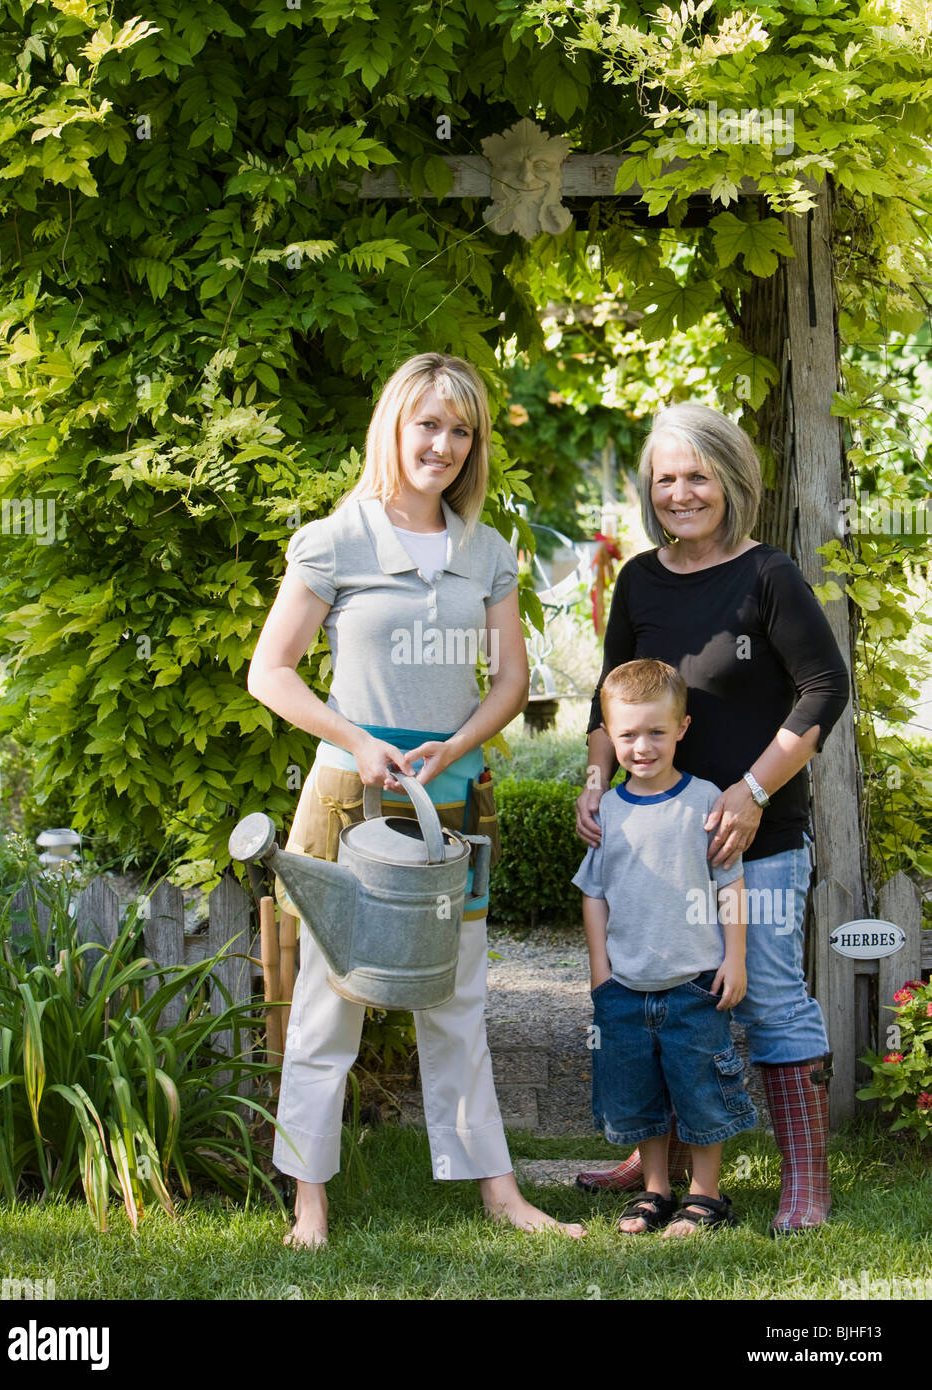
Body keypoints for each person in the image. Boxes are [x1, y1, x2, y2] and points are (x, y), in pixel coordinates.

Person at [247, 351, 586, 1247]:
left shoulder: (486, 554)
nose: (442, 444)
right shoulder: (335, 540)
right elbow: (270, 672)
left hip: (455, 798)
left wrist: (458, 747)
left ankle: (501, 1194)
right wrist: (357, 740)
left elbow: (510, 681)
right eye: (427, 424)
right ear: (394, 429)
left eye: (460, 430)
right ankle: (308, 1203)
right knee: (330, 1003)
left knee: (456, 998)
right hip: (351, 799)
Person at [575, 403, 850, 1235]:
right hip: (653, 849)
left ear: (730, 481)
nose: (682, 493)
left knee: (764, 994)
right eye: (667, 479)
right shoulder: (639, 582)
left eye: (698, 476)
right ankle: (648, 1159)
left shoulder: (768, 576)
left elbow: (824, 689)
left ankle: (806, 1180)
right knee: (652, 999)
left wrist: (754, 789)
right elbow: (607, 698)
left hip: (753, 840)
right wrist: (594, 779)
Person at [575, 658, 758, 1236]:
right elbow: (594, 894)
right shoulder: (607, 810)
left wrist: (734, 959)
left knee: (703, 1088)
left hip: (694, 984)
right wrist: (600, 972)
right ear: (609, 736)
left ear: (682, 728)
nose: (643, 746)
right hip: (624, 988)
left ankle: (707, 1196)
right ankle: (655, 1190)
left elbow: (730, 886)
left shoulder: (704, 802)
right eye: (627, 735)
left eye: (657, 732)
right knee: (638, 1096)